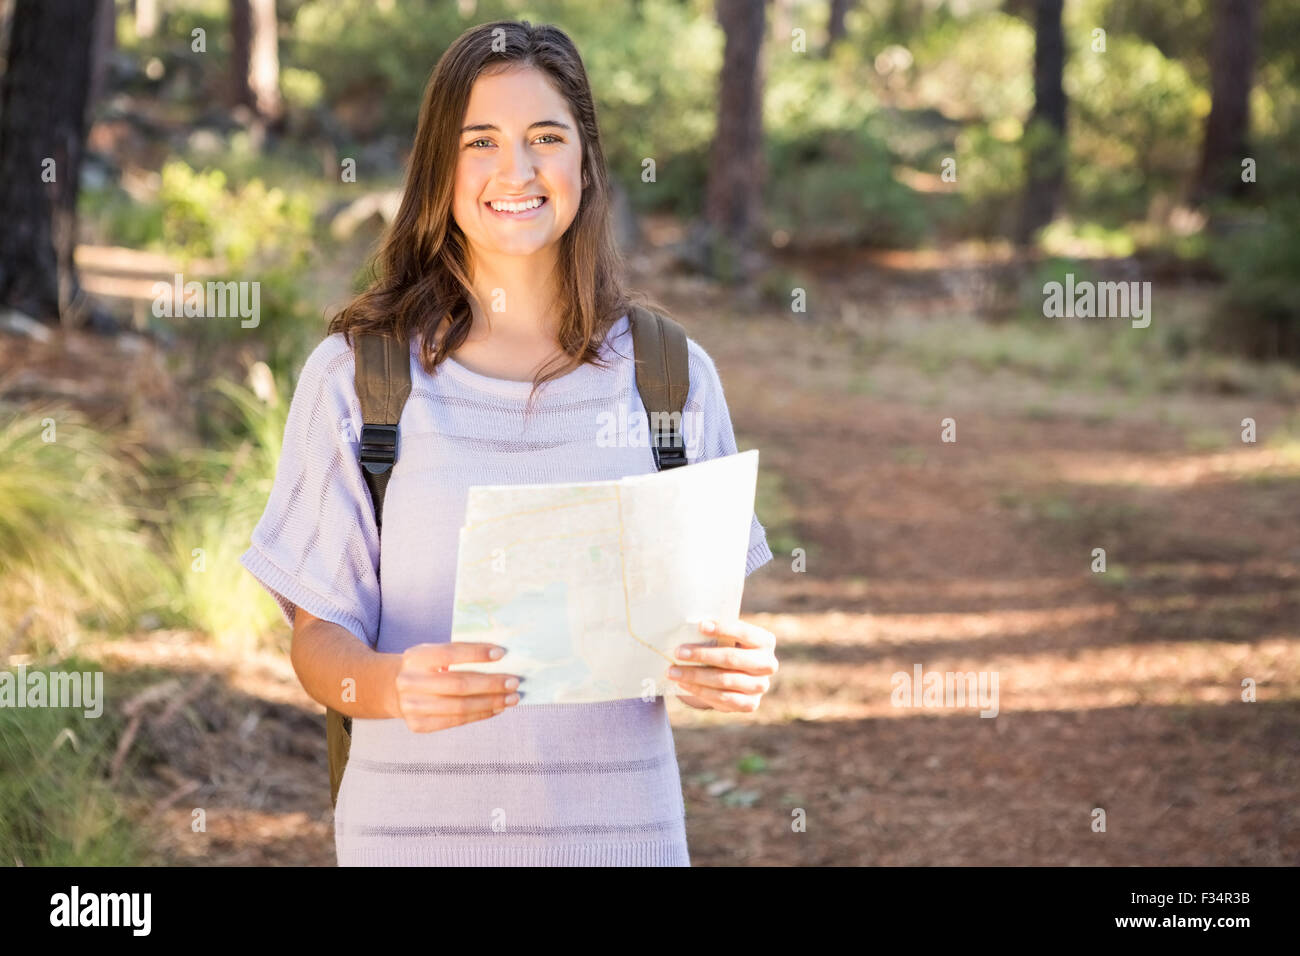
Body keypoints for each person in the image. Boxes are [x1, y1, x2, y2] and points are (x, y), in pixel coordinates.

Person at [239, 18, 777, 867]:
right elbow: (318, 644)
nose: (515, 171)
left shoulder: (670, 375)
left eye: (545, 138)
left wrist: (730, 669)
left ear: (585, 162)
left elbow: (703, 631)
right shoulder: (357, 378)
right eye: (479, 141)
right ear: (436, 167)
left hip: (622, 843)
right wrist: (390, 684)